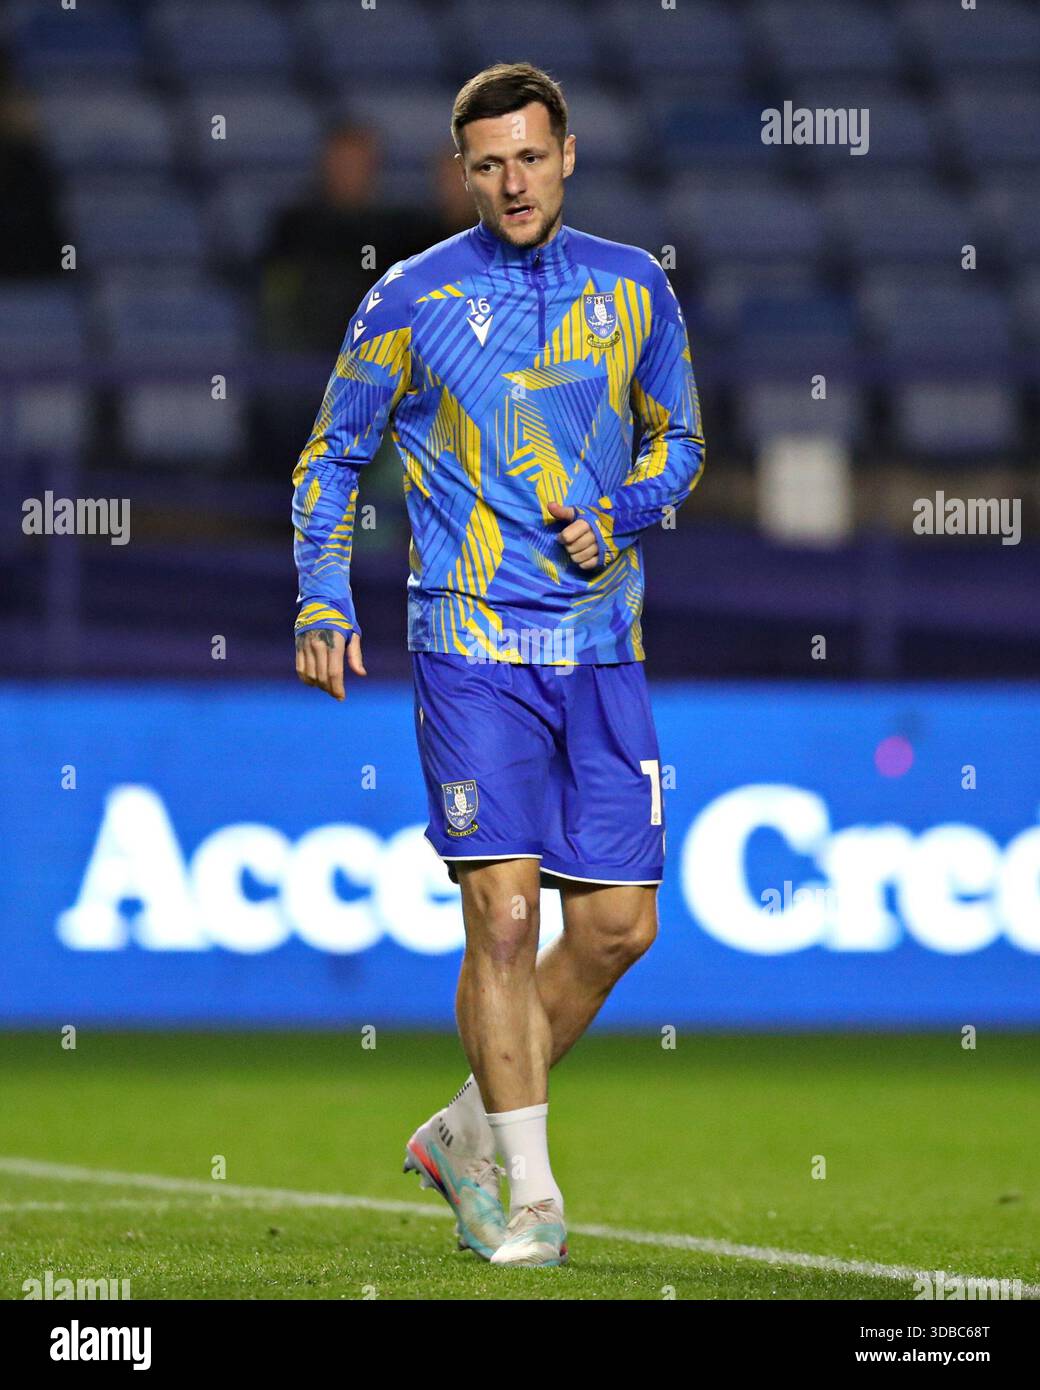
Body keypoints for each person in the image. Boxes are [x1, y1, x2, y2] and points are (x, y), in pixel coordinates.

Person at [292, 63, 706, 1268]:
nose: (511, 181)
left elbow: (680, 441)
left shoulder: (634, 288)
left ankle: (463, 1133)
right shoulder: (411, 300)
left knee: (620, 927)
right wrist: (322, 594)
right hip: (471, 645)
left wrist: (621, 508)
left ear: (566, 154)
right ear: (460, 171)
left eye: (529, 157)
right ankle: (526, 1195)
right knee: (505, 915)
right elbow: (330, 457)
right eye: (487, 164)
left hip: (600, 649)